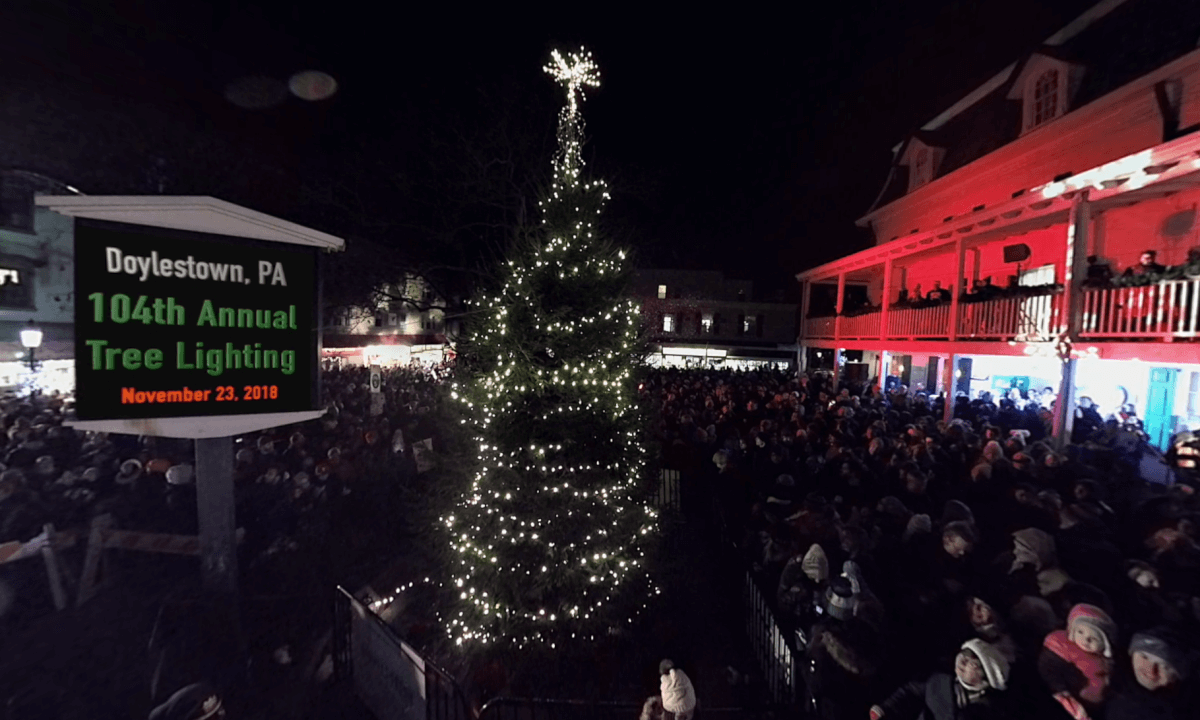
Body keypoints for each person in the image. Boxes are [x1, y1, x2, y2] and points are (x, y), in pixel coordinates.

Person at [870, 639, 1011, 720]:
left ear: (986, 679)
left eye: (972, 663)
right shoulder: (940, 681)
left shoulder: (987, 710)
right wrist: (885, 709)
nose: (963, 661)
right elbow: (910, 690)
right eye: (964, 654)